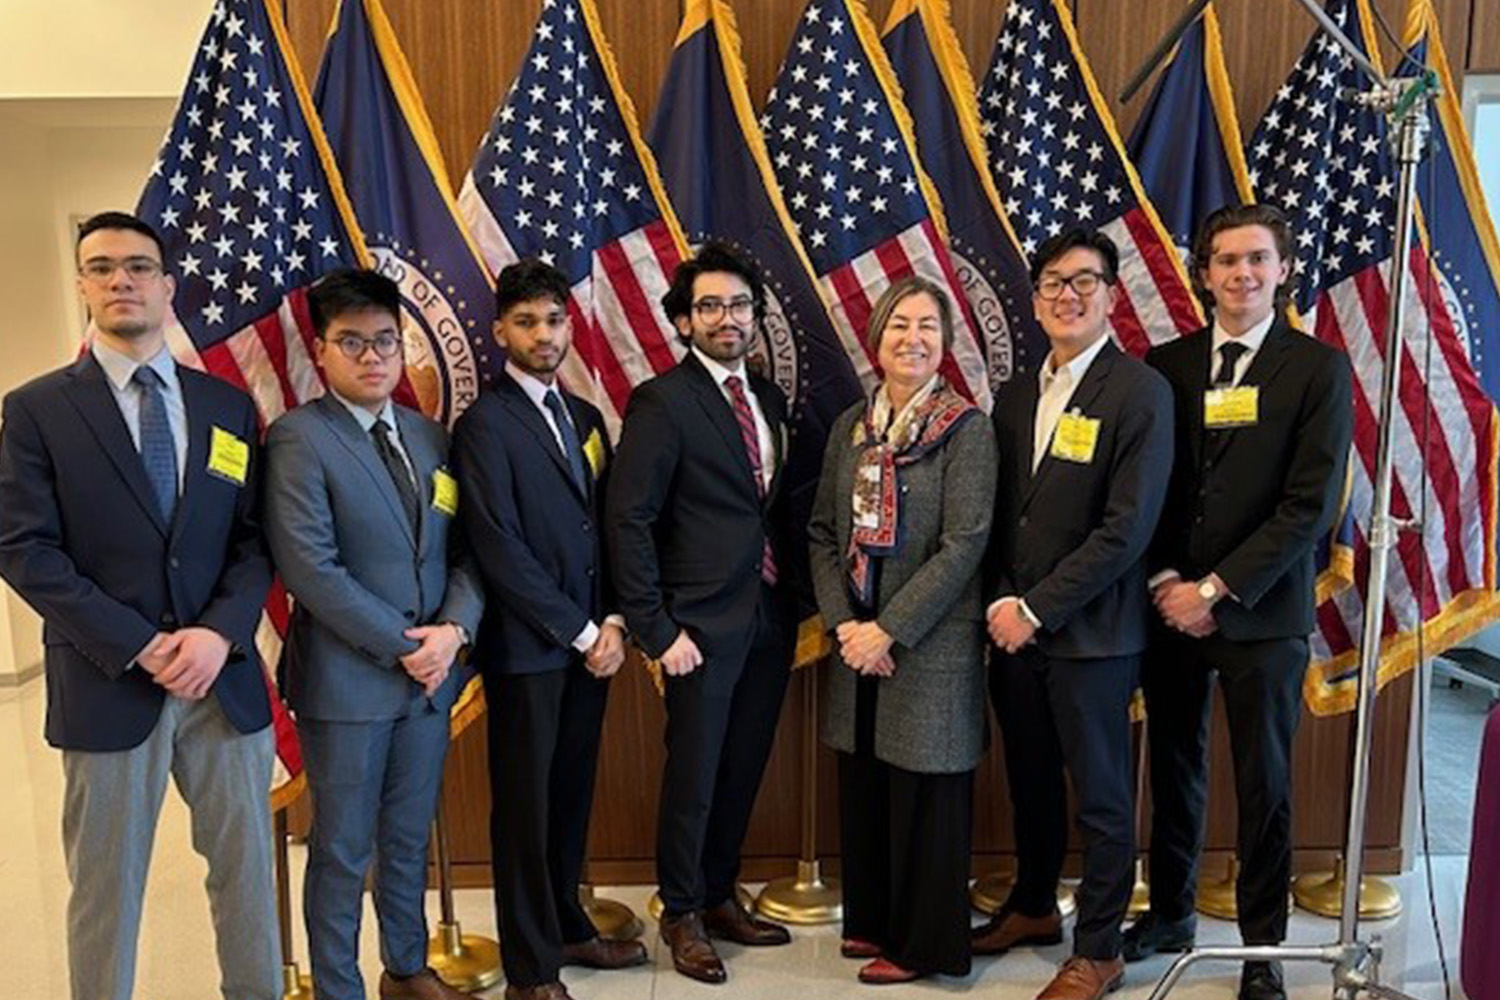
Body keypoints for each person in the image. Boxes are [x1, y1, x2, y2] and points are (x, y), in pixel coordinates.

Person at [0, 211, 279, 1000]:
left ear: (166, 284)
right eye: (101, 267)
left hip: (219, 685)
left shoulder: (226, 407)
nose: (121, 279)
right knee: (105, 887)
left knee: (246, 873)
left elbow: (254, 542)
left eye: (137, 266)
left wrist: (216, 636)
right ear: (84, 285)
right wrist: (140, 644)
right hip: (107, 682)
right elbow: (24, 549)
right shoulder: (37, 410)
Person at [1124, 204, 1353, 1000]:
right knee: (1175, 768)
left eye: (1257, 259)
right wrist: (1165, 585)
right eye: (1226, 260)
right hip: (1171, 609)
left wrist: (1216, 590)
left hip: (1262, 614)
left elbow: (1309, 506)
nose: (1242, 274)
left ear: (1283, 269)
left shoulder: (1319, 369)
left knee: (1265, 784)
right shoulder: (1168, 363)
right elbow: (1145, 490)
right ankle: (1172, 915)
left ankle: (1264, 951)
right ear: (1205, 273)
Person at [263, 269, 483, 1000]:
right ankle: (337, 987)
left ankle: (406, 966)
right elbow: (311, 569)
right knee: (342, 848)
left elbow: (461, 551)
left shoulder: (425, 435)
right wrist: (408, 645)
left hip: (428, 681)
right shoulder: (299, 438)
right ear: (321, 350)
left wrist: (453, 630)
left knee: (407, 835)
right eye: (352, 342)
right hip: (349, 684)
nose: (372, 357)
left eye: (385, 340)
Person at [975, 229, 1173, 1000]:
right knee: (1028, 781)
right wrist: (1002, 602)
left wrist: (1036, 607)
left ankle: (1099, 949)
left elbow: (1128, 528)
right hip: (1013, 635)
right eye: (1054, 283)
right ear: (1034, 299)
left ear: (1112, 295)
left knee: (1102, 799)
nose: (1068, 295)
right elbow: (1002, 514)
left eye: (1086, 282)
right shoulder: (1016, 392)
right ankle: (1031, 904)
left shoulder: (1140, 391)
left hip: (1092, 638)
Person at [452, 260, 648, 1000]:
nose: (544, 334)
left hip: (593, 646)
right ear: (501, 330)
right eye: (527, 321)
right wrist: (577, 630)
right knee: (525, 810)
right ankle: (531, 968)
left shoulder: (586, 418)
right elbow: (497, 543)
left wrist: (615, 623)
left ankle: (567, 925)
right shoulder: (483, 424)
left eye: (555, 320)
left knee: (570, 795)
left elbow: (604, 528)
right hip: (533, 651)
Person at [607, 242, 795, 984]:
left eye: (739, 304)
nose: (728, 318)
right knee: (694, 774)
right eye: (710, 306)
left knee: (743, 767)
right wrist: (658, 631)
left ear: (755, 316)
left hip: (767, 619)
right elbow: (629, 520)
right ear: (685, 320)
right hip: (695, 630)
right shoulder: (661, 402)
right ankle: (681, 910)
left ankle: (720, 893)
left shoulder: (768, 400)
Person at [807, 277, 996, 985]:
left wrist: (888, 630)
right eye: (898, 326)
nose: (911, 338)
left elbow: (966, 544)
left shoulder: (966, 431)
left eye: (927, 327)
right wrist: (846, 624)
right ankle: (875, 921)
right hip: (857, 642)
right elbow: (824, 531)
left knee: (926, 795)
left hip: (927, 643)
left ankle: (926, 946)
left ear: (945, 346)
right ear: (876, 338)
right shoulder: (852, 427)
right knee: (868, 786)